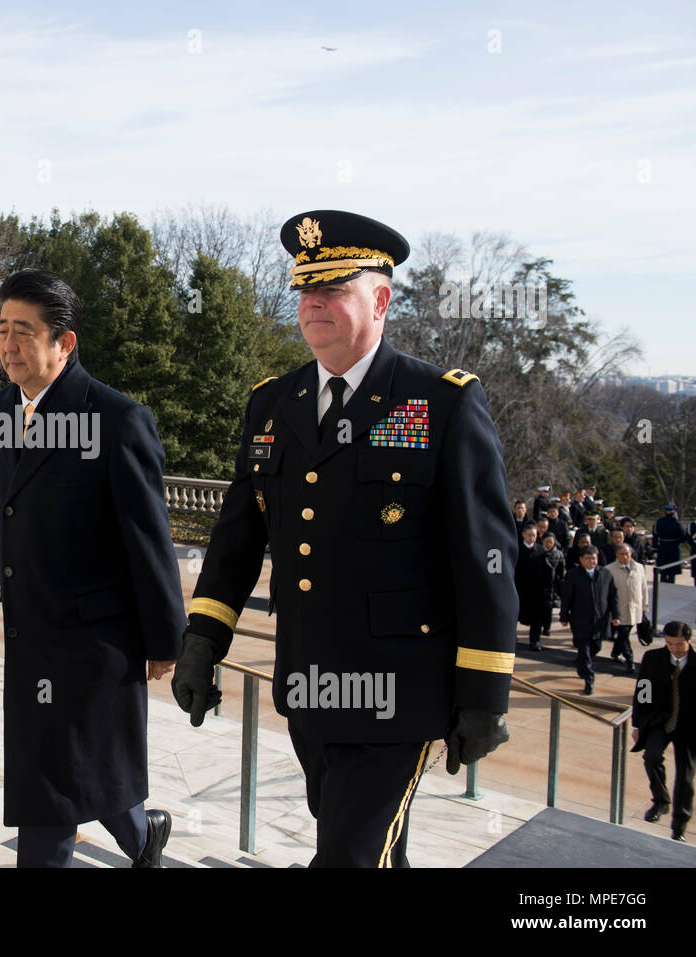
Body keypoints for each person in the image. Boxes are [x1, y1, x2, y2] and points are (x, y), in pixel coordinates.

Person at [172, 210, 516, 868]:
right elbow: (238, 538)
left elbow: (486, 561)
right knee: (369, 852)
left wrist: (484, 695)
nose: (313, 306)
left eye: (332, 290)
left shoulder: (437, 403)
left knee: (348, 858)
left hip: (400, 694)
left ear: (381, 300)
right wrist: (202, 640)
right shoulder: (273, 403)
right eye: (305, 291)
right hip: (311, 688)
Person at [0, 268, 183, 868]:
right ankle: (145, 838)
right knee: (57, 781)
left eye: (24, 332)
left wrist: (165, 640)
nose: (8, 345)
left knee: (74, 780)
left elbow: (149, 541)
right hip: (31, 639)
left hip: (96, 644)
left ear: (65, 342)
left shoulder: (116, 418)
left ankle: (140, 836)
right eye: (2, 330)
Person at [632, 621, 696, 842]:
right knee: (651, 756)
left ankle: (679, 826)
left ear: (689, 640)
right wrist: (638, 724)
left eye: (679, 644)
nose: (674, 649)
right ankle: (661, 800)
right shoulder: (653, 659)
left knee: (685, 777)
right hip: (661, 721)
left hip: (689, 727)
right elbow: (643, 691)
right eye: (669, 643)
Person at [560, 545, 620, 694]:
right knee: (584, 649)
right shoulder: (573, 574)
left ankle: (582, 665)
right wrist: (564, 616)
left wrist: (616, 615)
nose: (591, 561)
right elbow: (567, 596)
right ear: (581, 560)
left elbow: (613, 596)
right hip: (580, 619)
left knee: (596, 647)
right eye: (587, 558)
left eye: (593, 558)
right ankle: (589, 678)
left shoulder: (606, 574)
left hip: (600, 620)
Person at [607, 544, 648, 675]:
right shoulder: (610, 569)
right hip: (619, 609)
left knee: (624, 633)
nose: (625, 557)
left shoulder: (639, 567)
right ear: (616, 555)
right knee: (624, 635)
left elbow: (644, 588)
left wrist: (644, 606)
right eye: (621, 554)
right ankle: (630, 660)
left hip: (635, 608)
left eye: (627, 554)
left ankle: (615, 651)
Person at [654, 505, 690, 584]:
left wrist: (656, 547)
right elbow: (684, 537)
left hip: (662, 548)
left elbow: (655, 535)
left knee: (663, 571)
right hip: (674, 549)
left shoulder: (659, 522)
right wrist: (677, 541)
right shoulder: (677, 523)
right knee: (672, 572)